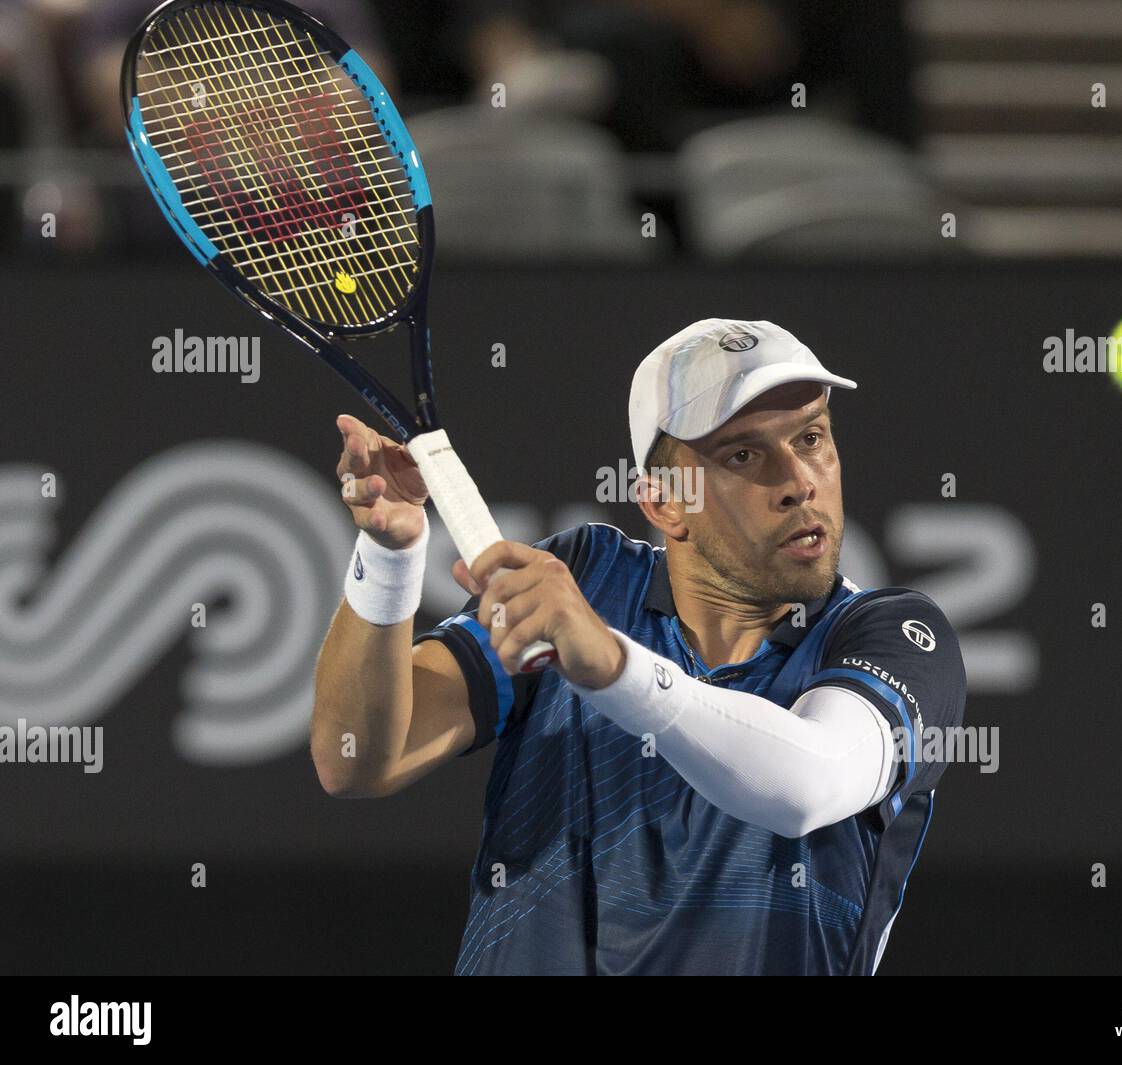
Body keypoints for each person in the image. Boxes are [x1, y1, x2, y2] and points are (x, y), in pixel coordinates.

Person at [312, 318, 966, 975]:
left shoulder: (899, 637)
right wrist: (389, 555)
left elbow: (805, 784)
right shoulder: (587, 577)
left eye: (812, 437)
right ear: (663, 503)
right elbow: (359, 759)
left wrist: (613, 667)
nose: (799, 480)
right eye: (744, 455)